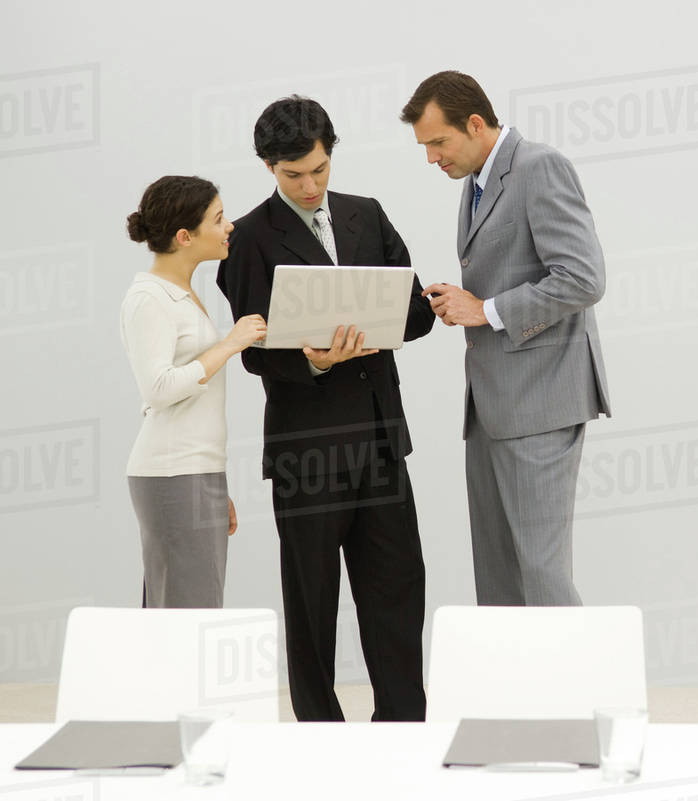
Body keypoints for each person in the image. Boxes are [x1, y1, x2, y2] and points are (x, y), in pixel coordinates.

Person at [216, 95, 435, 722]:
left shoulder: (366, 215)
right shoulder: (250, 239)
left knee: (398, 592)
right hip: (306, 446)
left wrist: (396, 315)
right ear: (268, 167)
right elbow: (254, 351)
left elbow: (414, 312)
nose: (309, 186)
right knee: (312, 602)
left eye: (318, 169)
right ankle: (319, 734)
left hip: (380, 438)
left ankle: (402, 727)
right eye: (293, 176)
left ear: (330, 154)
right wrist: (312, 359)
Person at [401, 71, 611, 607]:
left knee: (541, 573)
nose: (431, 159)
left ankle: (574, 691)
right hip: (492, 405)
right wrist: (467, 303)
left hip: (540, 401)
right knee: (498, 575)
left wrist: (486, 309)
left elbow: (583, 278)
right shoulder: (475, 181)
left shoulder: (540, 167)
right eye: (425, 147)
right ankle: (515, 691)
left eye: (438, 143)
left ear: (475, 123)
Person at [121, 175, 267, 608]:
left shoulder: (180, 294)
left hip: (193, 473)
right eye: (218, 219)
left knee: (194, 610)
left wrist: (215, 487)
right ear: (185, 237)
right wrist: (229, 345)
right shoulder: (150, 298)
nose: (229, 227)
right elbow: (159, 387)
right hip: (171, 474)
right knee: (187, 618)